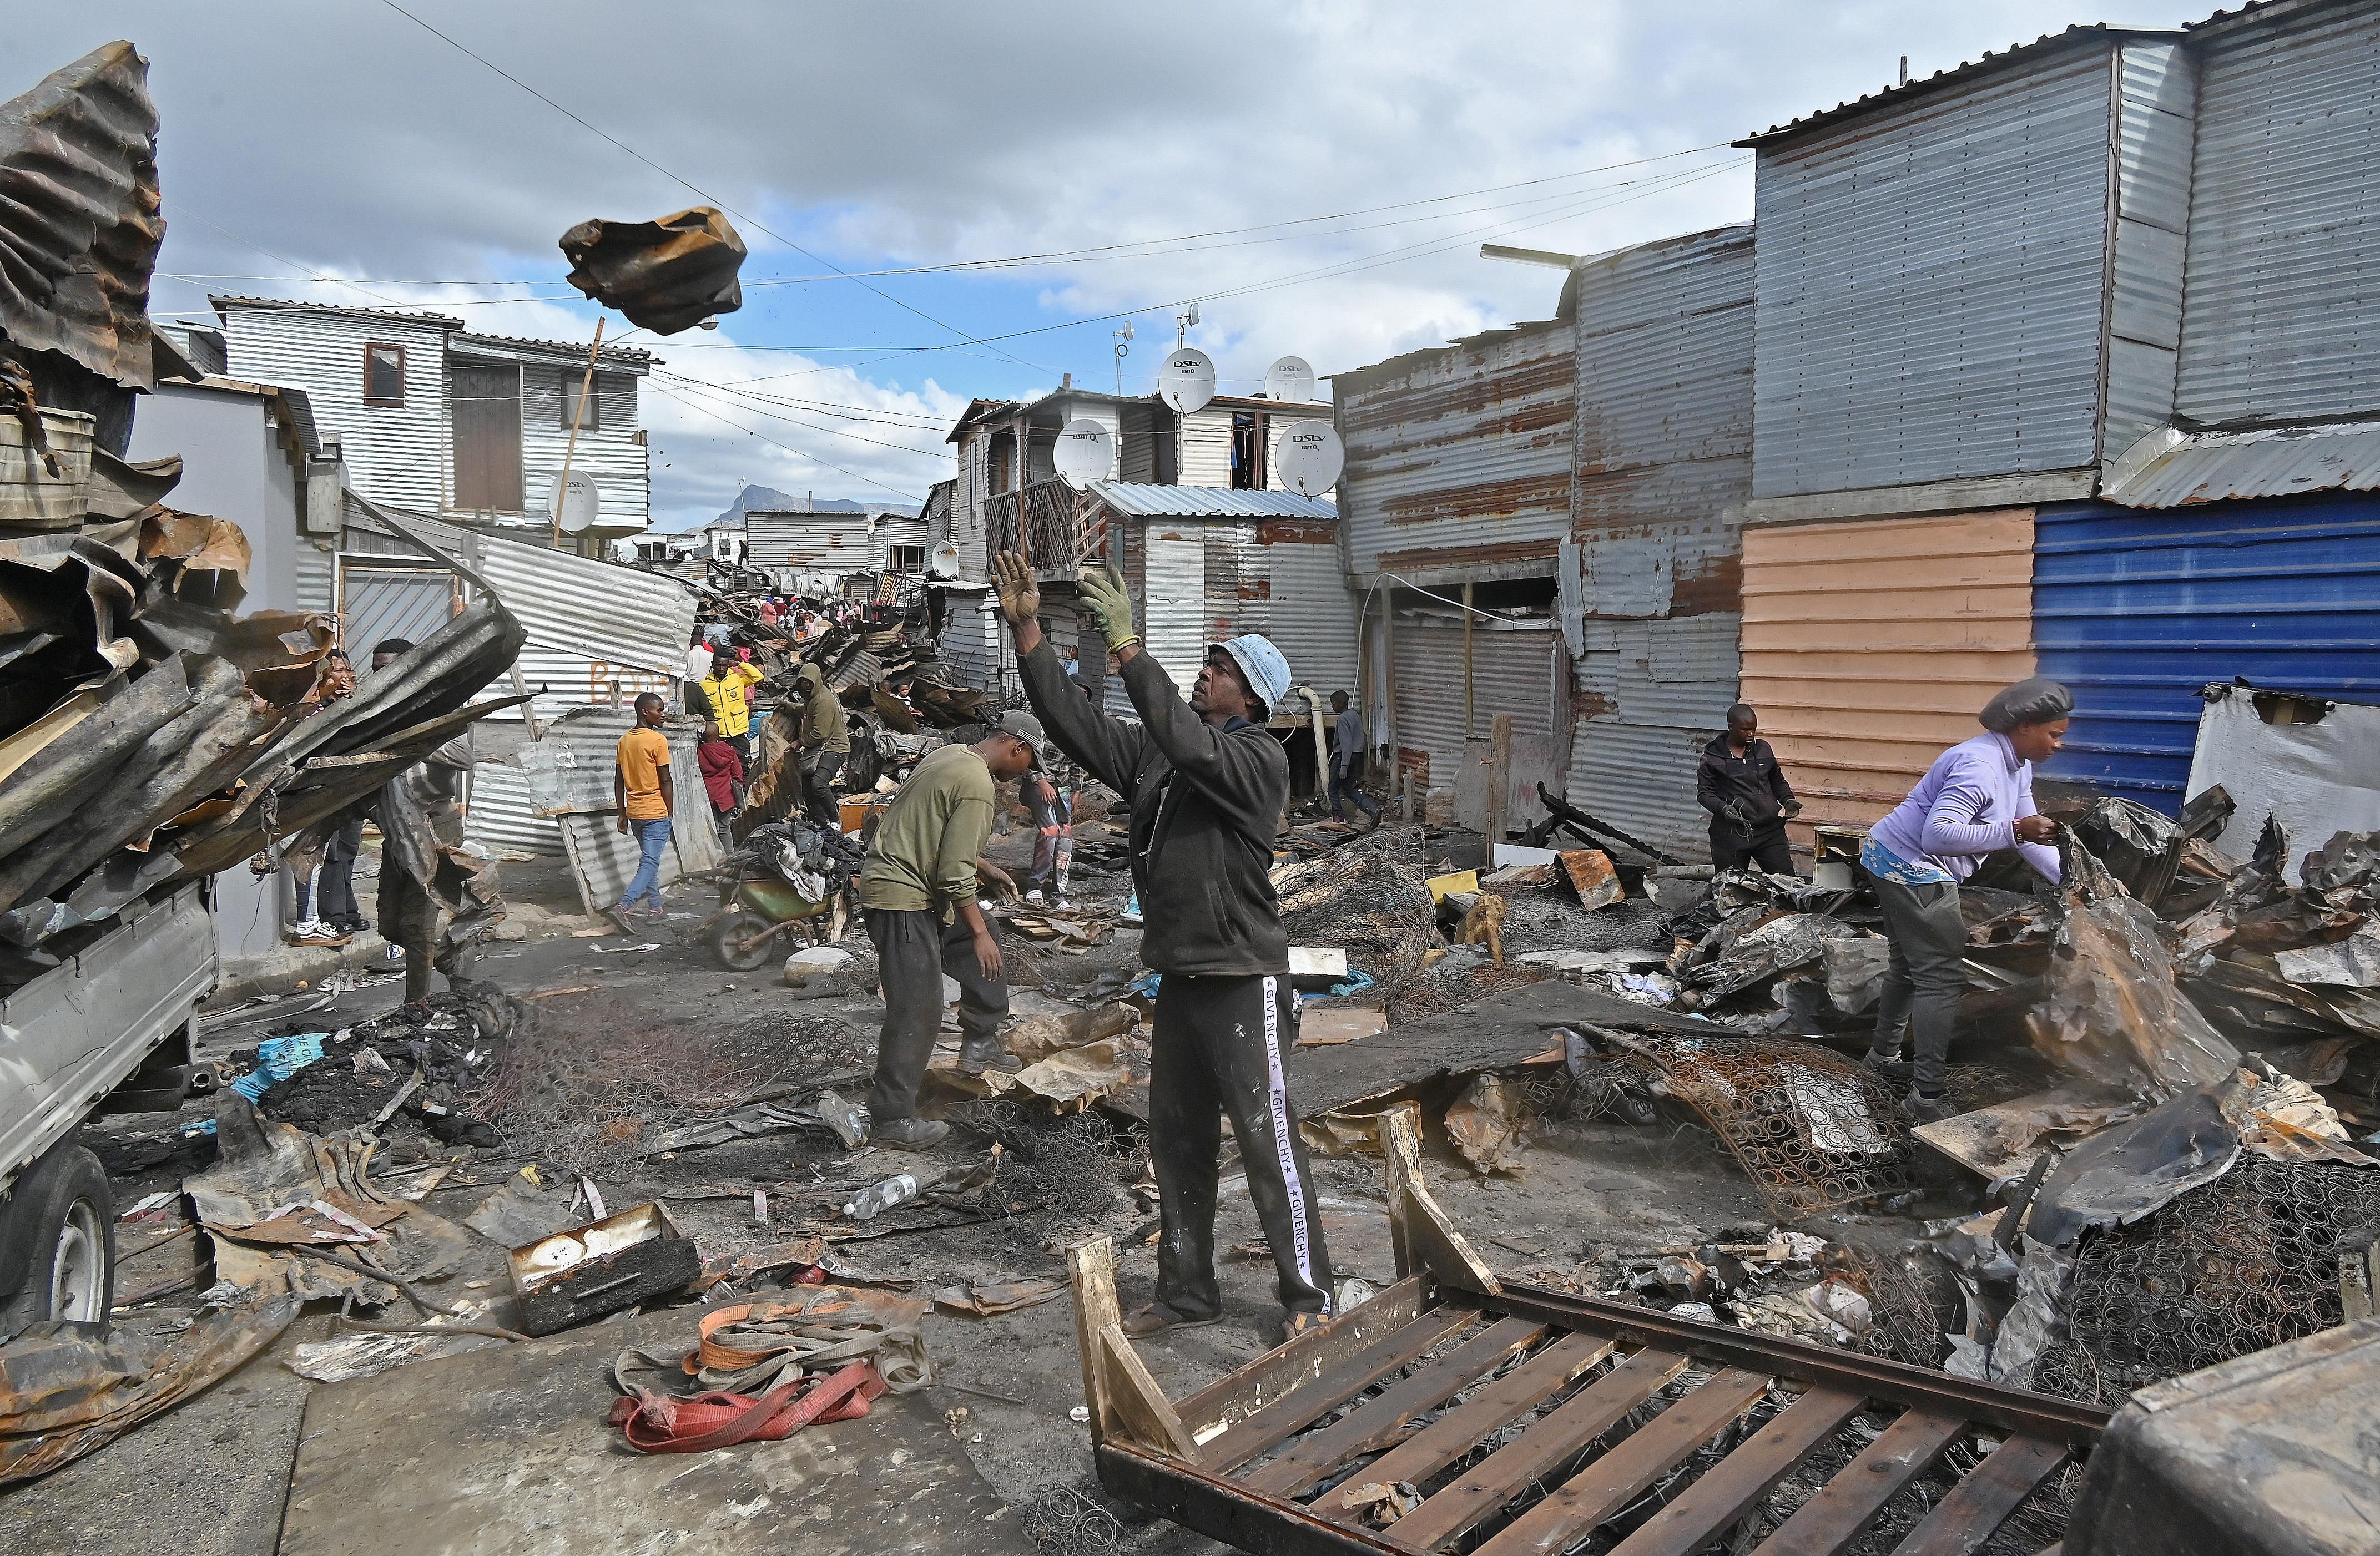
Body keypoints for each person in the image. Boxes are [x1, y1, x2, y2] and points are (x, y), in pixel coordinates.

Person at [995, 550, 1334, 1343]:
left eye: (1218, 669)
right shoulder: (1164, 756)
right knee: (1176, 1141)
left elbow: (1191, 745)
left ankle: (1310, 1295)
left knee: (1265, 1136)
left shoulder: (1256, 760)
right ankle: (1188, 1291)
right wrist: (1030, 633)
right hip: (1181, 978)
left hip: (1244, 977)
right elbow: (1076, 726)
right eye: (1207, 664)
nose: (1204, 675)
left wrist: (1128, 649)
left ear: (1249, 694)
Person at [1861, 678, 2071, 1124]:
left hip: (1886, 852)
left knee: (1908, 966)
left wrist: (2070, 881)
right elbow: (1938, 834)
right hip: (1911, 866)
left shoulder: (2018, 765)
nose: (2059, 744)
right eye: (2054, 734)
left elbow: (2028, 831)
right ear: (2024, 726)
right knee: (1940, 977)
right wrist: (2015, 832)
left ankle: (1881, 1059)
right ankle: (1925, 1096)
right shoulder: (1979, 765)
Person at [858, 714, 1048, 1149]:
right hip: (902, 900)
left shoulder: (948, 756)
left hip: (909, 892)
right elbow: (952, 873)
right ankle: (891, 1119)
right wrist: (977, 931)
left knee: (982, 932)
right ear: (1017, 748)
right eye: (1030, 762)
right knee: (917, 1010)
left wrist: (987, 868)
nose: (1026, 772)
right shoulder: (979, 786)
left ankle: (980, 1039)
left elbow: (930, 830)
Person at [1697, 703, 1799, 873]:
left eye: (1754, 729)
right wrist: (1723, 808)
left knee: (1786, 883)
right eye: (1745, 729)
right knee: (1730, 888)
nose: (1751, 734)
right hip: (1731, 834)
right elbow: (1704, 793)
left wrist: (1787, 799)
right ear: (1731, 727)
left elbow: (1777, 780)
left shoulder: (1763, 749)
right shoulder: (1712, 758)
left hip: (1769, 831)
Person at [608, 691, 674, 932]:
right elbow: (666, 780)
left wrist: (622, 813)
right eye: (659, 710)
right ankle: (624, 906)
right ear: (645, 712)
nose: (663, 715)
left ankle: (656, 909)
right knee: (649, 862)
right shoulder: (657, 741)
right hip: (655, 811)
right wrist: (670, 812)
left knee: (650, 861)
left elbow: (618, 780)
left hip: (635, 813)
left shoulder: (625, 741)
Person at [794, 662, 850, 827]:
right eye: (803, 682)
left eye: (809, 683)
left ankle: (835, 821)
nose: (805, 685)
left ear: (816, 681)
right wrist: (789, 708)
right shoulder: (811, 698)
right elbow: (807, 713)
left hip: (835, 747)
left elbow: (820, 734)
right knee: (808, 791)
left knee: (818, 784)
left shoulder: (823, 700)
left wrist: (800, 742)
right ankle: (820, 825)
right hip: (819, 747)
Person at [695, 649, 767, 767]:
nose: (722, 668)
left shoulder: (737, 679)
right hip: (720, 735)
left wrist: (739, 664)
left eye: (725, 665)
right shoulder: (704, 685)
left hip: (738, 733)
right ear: (713, 665)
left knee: (744, 766)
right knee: (724, 767)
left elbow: (758, 676)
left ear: (729, 665)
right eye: (718, 665)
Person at [1328, 691, 1381, 825]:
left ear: (1340, 704)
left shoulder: (1343, 719)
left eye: (1333, 704)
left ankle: (1338, 819)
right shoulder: (1355, 715)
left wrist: (1344, 766)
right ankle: (1373, 810)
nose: (1332, 707)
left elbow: (1346, 744)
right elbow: (1361, 737)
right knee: (1348, 788)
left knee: (1333, 788)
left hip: (1343, 757)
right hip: (1356, 756)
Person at [1022, 767, 1074, 905]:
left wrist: (1078, 790)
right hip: (1039, 781)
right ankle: (1035, 885)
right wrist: (1041, 781)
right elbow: (1029, 756)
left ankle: (1059, 894)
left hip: (1063, 785)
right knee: (1050, 832)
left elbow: (1078, 763)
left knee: (1066, 837)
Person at [697, 719, 744, 847]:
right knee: (725, 827)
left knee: (712, 828)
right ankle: (729, 856)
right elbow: (737, 774)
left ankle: (715, 856)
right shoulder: (728, 751)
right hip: (726, 796)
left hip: (707, 795)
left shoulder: (699, 752)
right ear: (719, 735)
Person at [682, 632, 715, 715]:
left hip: (691, 689)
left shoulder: (687, 656)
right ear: (703, 644)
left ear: (690, 645)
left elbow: (684, 674)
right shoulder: (712, 655)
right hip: (709, 688)